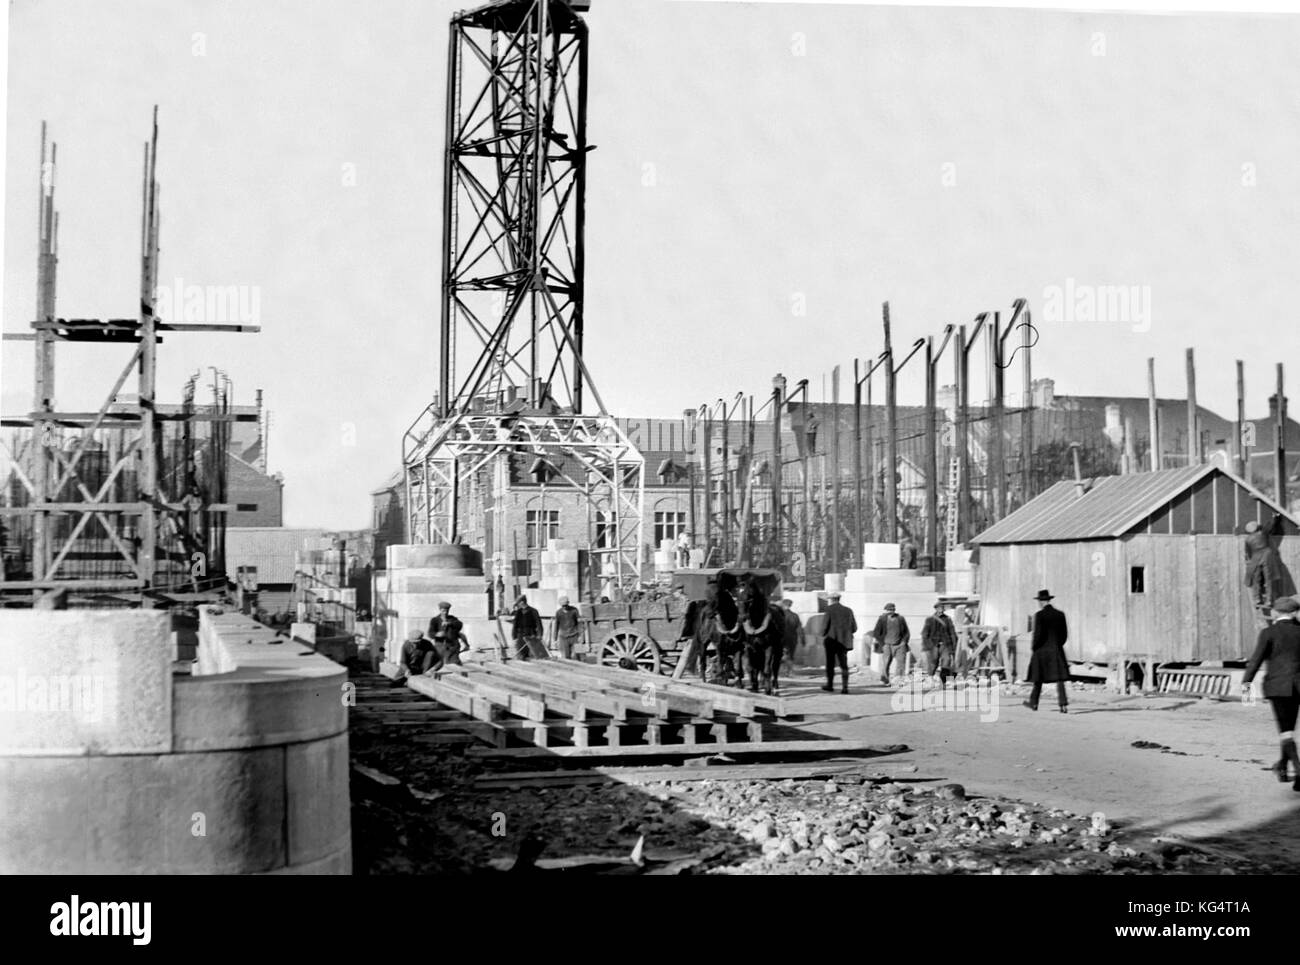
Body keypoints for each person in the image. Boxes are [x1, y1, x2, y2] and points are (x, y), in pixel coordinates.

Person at [1242, 596, 1300, 790]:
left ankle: (1298, 771)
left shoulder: (1269, 632)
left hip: (1277, 687)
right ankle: (1283, 766)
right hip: (1298, 686)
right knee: (1288, 729)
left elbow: (1255, 661)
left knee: (1286, 731)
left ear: (1276, 612)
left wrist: (1247, 690)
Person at [1024, 589, 1070, 713]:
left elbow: (1038, 635)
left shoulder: (1039, 615)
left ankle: (1034, 703)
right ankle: (1063, 704)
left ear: (1041, 602)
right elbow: (1064, 634)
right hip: (1056, 649)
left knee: (1038, 678)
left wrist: (1034, 647)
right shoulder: (1060, 614)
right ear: (1049, 600)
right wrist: (1057, 645)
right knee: (1060, 679)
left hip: (1042, 651)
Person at [822, 591, 856, 694]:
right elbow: (854, 627)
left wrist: (823, 633)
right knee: (844, 665)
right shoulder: (848, 610)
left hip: (832, 641)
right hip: (844, 641)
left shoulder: (829, 609)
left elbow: (825, 626)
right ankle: (845, 687)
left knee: (830, 664)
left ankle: (830, 685)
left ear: (831, 600)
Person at [872, 602, 911, 687]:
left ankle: (898, 680)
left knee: (901, 663)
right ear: (886, 610)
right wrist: (883, 644)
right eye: (889, 610)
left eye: (892, 609)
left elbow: (906, 632)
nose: (891, 611)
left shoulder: (900, 618)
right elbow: (876, 633)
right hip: (887, 645)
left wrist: (904, 642)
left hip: (900, 645)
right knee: (886, 663)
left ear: (894, 610)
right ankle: (885, 680)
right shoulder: (882, 619)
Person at [922, 600, 958, 688]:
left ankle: (943, 681)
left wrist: (954, 645)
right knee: (933, 662)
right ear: (936, 609)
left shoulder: (948, 619)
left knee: (946, 661)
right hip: (933, 645)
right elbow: (925, 634)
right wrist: (928, 646)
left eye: (942, 608)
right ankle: (930, 678)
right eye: (939, 608)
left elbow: (952, 632)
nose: (941, 610)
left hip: (945, 644)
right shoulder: (930, 619)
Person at [427, 601, 468, 667]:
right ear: (440, 610)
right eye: (443, 611)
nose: (445, 613)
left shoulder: (453, 619)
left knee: (455, 665)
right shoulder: (434, 620)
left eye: (447, 611)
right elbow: (430, 633)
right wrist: (437, 634)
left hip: (453, 647)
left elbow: (459, 625)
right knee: (439, 665)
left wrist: (450, 623)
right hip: (440, 647)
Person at [509, 594, 545, 660]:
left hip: (531, 637)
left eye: (518, 603)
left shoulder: (533, 611)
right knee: (521, 657)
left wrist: (539, 635)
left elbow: (539, 625)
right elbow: (515, 626)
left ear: (522, 602)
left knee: (532, 657)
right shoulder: (518, 612)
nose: (517, 605)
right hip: (520, 638)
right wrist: (514, 637)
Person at [551, 595, 582, 659]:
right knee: (566, 656)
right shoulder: (558, 613)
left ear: (568, 603)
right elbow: (556, 626)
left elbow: (579, 623)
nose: (564, 607)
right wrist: (555, 639)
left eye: (565, 605)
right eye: (563, 606)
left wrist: (580, 635)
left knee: (576, 656)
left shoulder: (574, 610)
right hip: (563, 637)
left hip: (574, 636)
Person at [779, 598, 805, 667]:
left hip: (780, 638)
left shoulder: (779, 615)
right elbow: (799, 629)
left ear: (783, 605)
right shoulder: (795, 616)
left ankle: (781, 670)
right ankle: (789, 670)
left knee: (779, 654)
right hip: (792, 639)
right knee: (790, 654)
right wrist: (803, 640)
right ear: (790, 605)